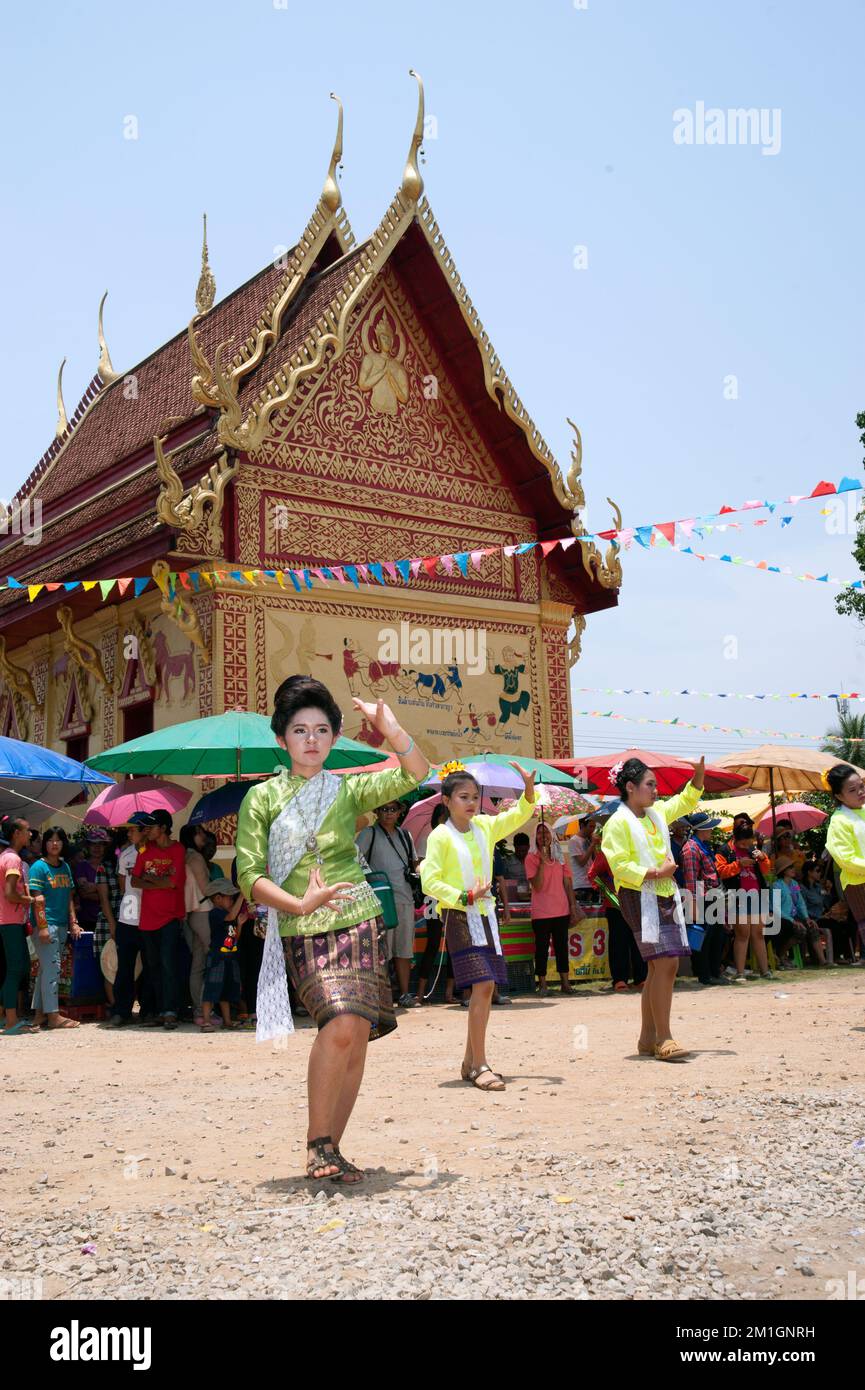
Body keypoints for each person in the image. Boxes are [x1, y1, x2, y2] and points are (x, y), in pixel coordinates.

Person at [236, 676, 428, 1183]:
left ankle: (332, 1148)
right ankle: (316, 1142)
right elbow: (249, 874)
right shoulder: (261, 799)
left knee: (356, 1037)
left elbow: (417, 771)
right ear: (281, 738)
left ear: (336, 736)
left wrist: (391, 729)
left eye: (323, 729)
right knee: (340, 1023)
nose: (312, 739)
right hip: (303, 927)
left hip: (360, 921)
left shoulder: (347, 788)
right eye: (300, 730)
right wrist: (300, 902)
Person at [420, 761, 536, 1091]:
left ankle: (472, 1062)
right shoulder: (441, 836)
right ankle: (480, 1064)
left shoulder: (484, 827)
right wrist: (463, 895)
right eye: (462, 797)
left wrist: (527, 793)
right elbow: (430, 881)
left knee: (486, 987)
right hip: (459, 916)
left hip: (486, 915)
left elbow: (516, 818)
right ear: (446, 801)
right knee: (483, 985)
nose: (470, 803)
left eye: (474, 797)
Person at [601, 755, 705, 1061]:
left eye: (656, 785)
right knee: (666, 963)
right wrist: (655, 872)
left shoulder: (656, 813)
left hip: (664, 893)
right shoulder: (618, 822)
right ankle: (664, 1037)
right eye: (650, 784)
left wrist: (697, 777)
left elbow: (685, 801)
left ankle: (649, 1038)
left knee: (660, 965)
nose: (656, 790)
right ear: (630, 787)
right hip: (638, 894)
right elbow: (619, 866)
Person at [356, 799, 420, 1009]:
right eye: (384, 808)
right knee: (380, 950)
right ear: (377, 811)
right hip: (380, 900)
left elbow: (414, 863)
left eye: (393, 809)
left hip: (404, 898)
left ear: (400, 811)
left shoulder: (405, 835)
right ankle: (382, 996)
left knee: (403, 949)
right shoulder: (368, 834)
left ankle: (404, 994)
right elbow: (356, 862)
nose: (389, 813)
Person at [130, 809, 186, 1030]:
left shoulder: (178, 849)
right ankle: (159, 1010)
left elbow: (172, 883)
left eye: (151, 827)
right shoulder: (145, 849)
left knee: (168, 964)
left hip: (170, 917)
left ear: (163, 828)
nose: (147, 831)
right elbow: (134, 881)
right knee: (153, 967)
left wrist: (149, 877)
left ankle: (171, 1010)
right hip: (147, 919)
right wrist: (158, 880)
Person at [29, 827, 82, 1030]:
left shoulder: (65, 867)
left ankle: (40, 1014)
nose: (54, 843)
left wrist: (73, 921)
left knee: (46, 970)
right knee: (53, 969)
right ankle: (54, 1016)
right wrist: (42, 927)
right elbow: (37, 899)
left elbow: (69, 897)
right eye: (50, 840)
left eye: (58, 840)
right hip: (46, 925)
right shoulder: (38, 867)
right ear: (45, 844)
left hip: (61, 925)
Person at [525, 821, 581, 995]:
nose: (544, 836)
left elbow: (567, 882)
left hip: (561, 909)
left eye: (547, 832)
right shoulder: (531, 857)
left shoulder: (559, 856)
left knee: (562, 948)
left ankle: (565, 983)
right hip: (541, 912)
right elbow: (538, 886)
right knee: (541, 949)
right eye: (540, 833)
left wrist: (572, 906)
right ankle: (542, 984)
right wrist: (541, 862)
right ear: (535, 837)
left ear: (552, 835)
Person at [588, 841, 648, 993]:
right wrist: (609, 893)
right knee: (618, 942)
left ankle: (641, 977)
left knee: (639, 940)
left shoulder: (638, 848)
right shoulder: (608, 852)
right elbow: (593, 875)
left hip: (638, 902)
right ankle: (620, 979)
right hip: (616, 905)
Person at [679, 812, 730, 986]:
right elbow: (691, 879)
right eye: (710, 827)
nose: (712, 829)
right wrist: (694, 904)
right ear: (702, 829)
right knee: (703, 938)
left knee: (717, 936)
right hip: (701, 899)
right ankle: (704, 975)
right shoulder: (691, 848)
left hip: (712, 897)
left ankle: (715, 972)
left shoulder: (703, 846)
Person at [716, 826, 772, 982]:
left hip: (756, 895)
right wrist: (739, 864)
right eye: (744, 844)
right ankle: (740, 972)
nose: (747, 847)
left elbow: (766, 870)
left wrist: (763, 858)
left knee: (759, 934)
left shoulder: (752, 848)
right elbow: (721, 871)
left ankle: (765, 971)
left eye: (749, 843)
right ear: (736, 839)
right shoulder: (725, 850)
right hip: (737, 896)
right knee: (742, 934)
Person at [414, 804, 455, 1005]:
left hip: (452, 897)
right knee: (433, 943)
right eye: (444, 816)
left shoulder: (457, 838)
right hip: (432, 898)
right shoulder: (427, 838)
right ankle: (420, 993)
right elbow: (420, 868)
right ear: (437, 818)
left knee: (453, 944)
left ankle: (450, 993)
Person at [109, 819, 149, 1027]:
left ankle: (148, 1009)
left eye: (133, 830)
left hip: (151, 917)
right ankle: (121, 1011)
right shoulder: (125, 855)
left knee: (151, 967)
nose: (129, 834)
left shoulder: (154, 852)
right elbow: (124, 887)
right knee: (125, 967)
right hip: (128, 917)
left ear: (145, 831)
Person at [824, 763, 865, 960]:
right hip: (859, 885)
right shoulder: (839, 821)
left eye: (862, 786)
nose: (860, 792)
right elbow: (845, 858)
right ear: (839, 796)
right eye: (852, 790)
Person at [0, 817, 37, 1035]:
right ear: (15, 833)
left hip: (8, 920)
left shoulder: (5, 856)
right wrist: (30, 900)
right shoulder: (13, 859)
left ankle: (4, 1016)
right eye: (26, 830)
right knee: (16, 969)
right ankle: (12, 1021)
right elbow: (10, 893)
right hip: (11, 920)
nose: (30, 834)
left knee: (17, 968)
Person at [199, 878, 245, 1031]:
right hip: (217, 958)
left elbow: (235, 937)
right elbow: (230, 917)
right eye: (230, 897)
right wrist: (242, 896)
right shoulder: (216, 913)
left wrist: (239, 925)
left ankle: (227, 1021)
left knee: (226, 991)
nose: (232, 900)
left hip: (230, 958)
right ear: (218, 898)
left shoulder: (228, 915)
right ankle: (206, 1020)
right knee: (211, 989)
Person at [180, 823, 212, 1022]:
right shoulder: (196, 857)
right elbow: (206, 888)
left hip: (189, 914)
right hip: (203, 910)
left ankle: (199, 1010)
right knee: (212, 959)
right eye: (201, 834)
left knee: (197, 964)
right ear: (193, 836)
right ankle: (208, 1009)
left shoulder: (182, 855)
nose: (204, 837)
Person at [774, 854, 827, 968]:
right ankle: (781, 955)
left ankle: (823, 961)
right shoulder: (776, 886)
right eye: (791, 867)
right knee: (800, 930)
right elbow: (776, 908)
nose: (794, 869)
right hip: (783, 919)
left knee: (812, 926)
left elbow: (800, 902)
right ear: (783, 871)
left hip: (795, 918)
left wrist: (807, 918)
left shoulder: (794, 884)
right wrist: (792, 921)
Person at [799, 859, 835, 965]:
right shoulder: (801, 888)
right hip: (811, 918)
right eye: (817, 870)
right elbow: (802, 906)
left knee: (842, 925)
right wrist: (811, 917)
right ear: (809, 872)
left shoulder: (818, 887)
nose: (820, 873)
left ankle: (836, 956)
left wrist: (828, 891)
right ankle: (826, 960)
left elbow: (826, 903)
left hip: (822, 916)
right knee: (833, 926)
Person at [568, 815, 600, 904]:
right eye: (591, 826)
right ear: (582, 826)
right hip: (581, 884)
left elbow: (595, 860)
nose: (593, 829)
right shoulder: (574, 841)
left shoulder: (589, 840)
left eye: (594, 826)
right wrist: (592, 845)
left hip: (592, 882)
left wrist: (596, 846)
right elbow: (581, 862)